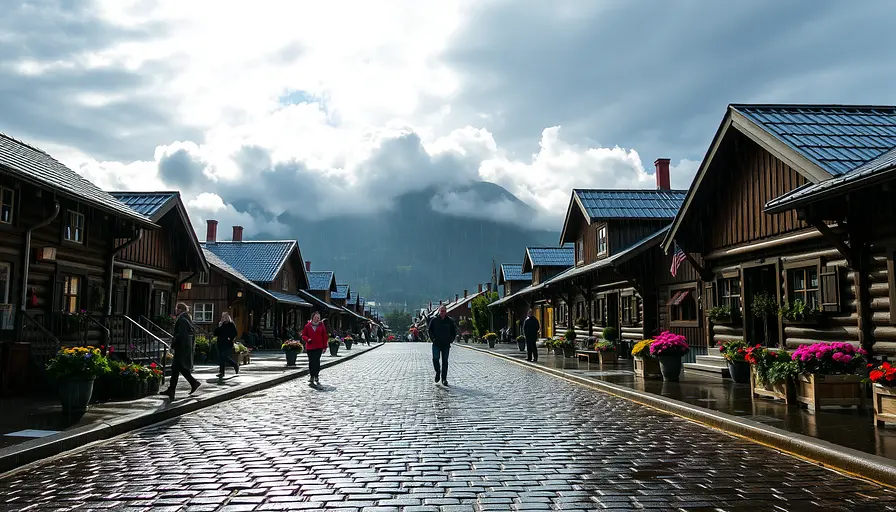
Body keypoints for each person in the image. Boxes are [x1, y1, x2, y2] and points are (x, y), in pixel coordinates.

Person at [160, 302, 201, 399]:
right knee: (176, 369)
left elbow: (181, 335)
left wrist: (174, 345)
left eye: (176, 308)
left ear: (180, 309)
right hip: (183, 348)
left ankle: (192, 383)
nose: (175, 310)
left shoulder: (182, 320)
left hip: (181, 349)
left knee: (179, 368)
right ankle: (172, 389)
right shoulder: (186, 319)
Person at [428, 305, 457, 386]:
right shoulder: (434, 320)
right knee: (435, 359)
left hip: (446, 345)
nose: (442, 312)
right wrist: (433, 339)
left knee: (445, 361)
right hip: (436, 344)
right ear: (439, 311)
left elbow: (454, 331)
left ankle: (444, 379)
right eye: (441, 311)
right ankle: (437, 372)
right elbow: (430, 330)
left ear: (446, 312)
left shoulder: (449, 321)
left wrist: (451, 340)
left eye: (444, 311)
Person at [301, 311, 328, 387]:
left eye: (318, 318)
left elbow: (324, 336)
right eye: (316, 317)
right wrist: (307, 339)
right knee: (311, 361)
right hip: (310, 346)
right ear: (312, 318)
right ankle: (311, 376)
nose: (317, 319)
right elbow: (303, 335)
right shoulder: (308, 326)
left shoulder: (321, 326)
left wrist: (324, 347)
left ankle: (316, 375)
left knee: (316, 361)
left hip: (319, 346)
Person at [213, 312, 240, 378]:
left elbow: (235, 333)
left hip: (227, 343)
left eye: (225, 317)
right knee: (221, 358)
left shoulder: (231, 324)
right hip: (220, 343)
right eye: (223, 317)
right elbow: (215, 334)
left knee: (225, 356)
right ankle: (221, 372)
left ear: (228, 317)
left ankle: (235, 365)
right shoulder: (221, 324)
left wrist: (230, 338)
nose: (224, 318)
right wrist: (218, 327)